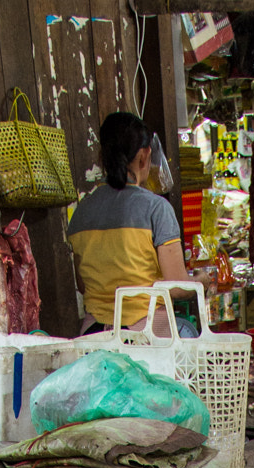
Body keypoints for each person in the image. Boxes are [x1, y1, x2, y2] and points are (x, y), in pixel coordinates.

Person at [66, 113, 185, 331]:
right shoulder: (156, 208)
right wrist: (203, 281)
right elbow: (176, 287)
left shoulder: (81, 211)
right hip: (146, 334)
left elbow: (83, 285)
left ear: (103, 157)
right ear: (143, 156)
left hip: (95, 334)